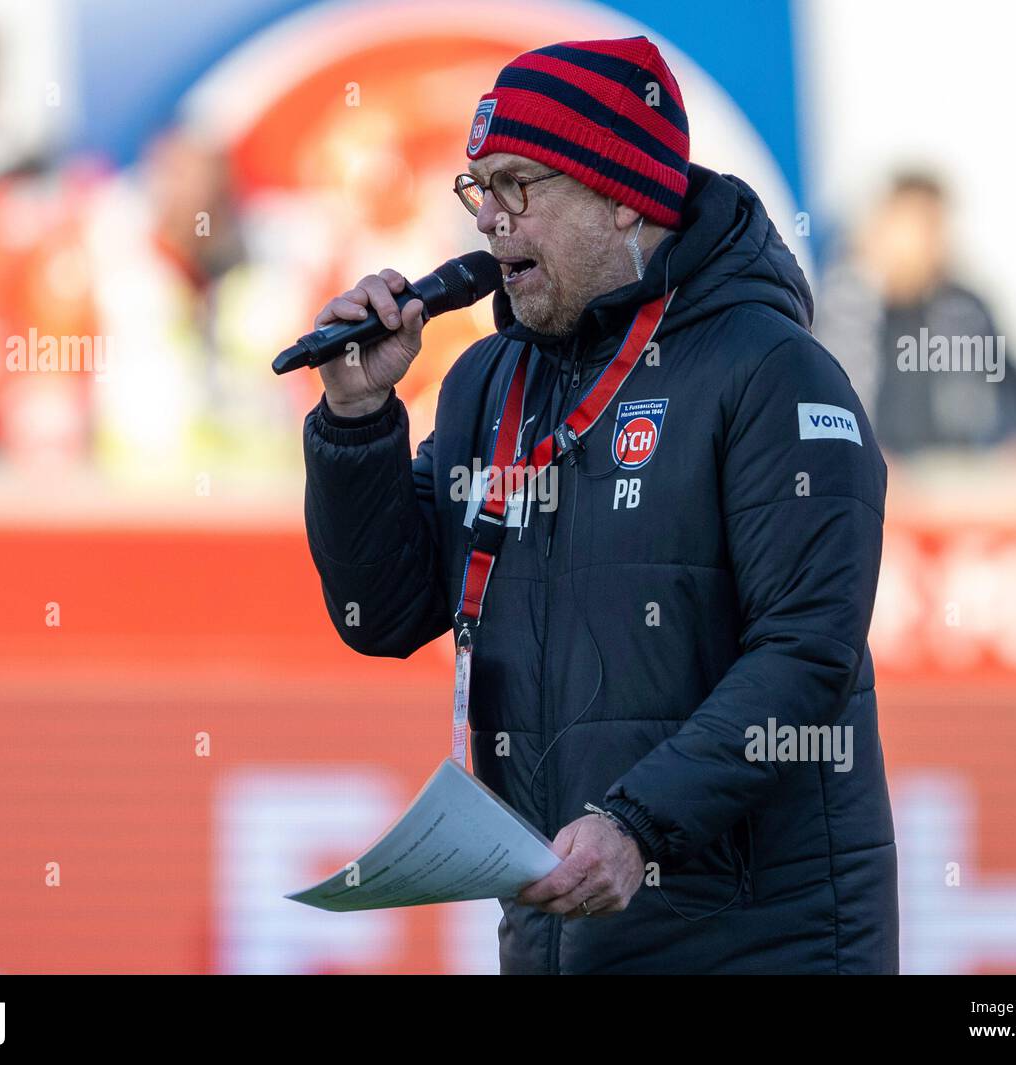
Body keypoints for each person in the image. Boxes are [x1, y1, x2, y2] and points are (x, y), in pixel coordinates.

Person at [300, 36, 898, 974]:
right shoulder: (485, 384)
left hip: (761, 946)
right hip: (559, 942)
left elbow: (806, 652)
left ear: (625, 192)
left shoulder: (771, 371)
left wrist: (637, 826)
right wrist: (355, 417)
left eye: (516, 186)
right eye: (478, 189)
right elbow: (379, 614)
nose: (489, 220)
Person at [814, 173, 1016, 456]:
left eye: (936, 227)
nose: (929, 243)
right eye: (916, 226)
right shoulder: (838, 311)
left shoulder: (967, 310)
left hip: (956, 478)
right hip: (866, 476)